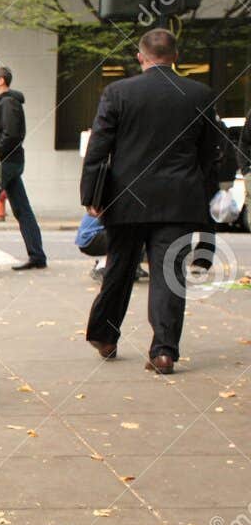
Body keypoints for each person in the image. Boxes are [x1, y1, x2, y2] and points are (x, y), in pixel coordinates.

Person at [84, 28, 220, 375]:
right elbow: (209, 152)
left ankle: (105, 336)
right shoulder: (199, 94)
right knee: (169, 273)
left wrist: (91, 196)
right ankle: (164, 351)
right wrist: (201, 191)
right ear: (175, 57)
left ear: (140, 57)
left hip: (126, 198)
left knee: (119, 268)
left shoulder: (118, 92)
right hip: (178, 199)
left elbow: (99, 147)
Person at [0, 66, 47, 271]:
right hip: (11, 162)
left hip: (5, 163)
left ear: (1, 81)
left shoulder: (7, 103)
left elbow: (11, 135)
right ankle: (37, 255)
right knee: (22, 209)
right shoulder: (5, 103)